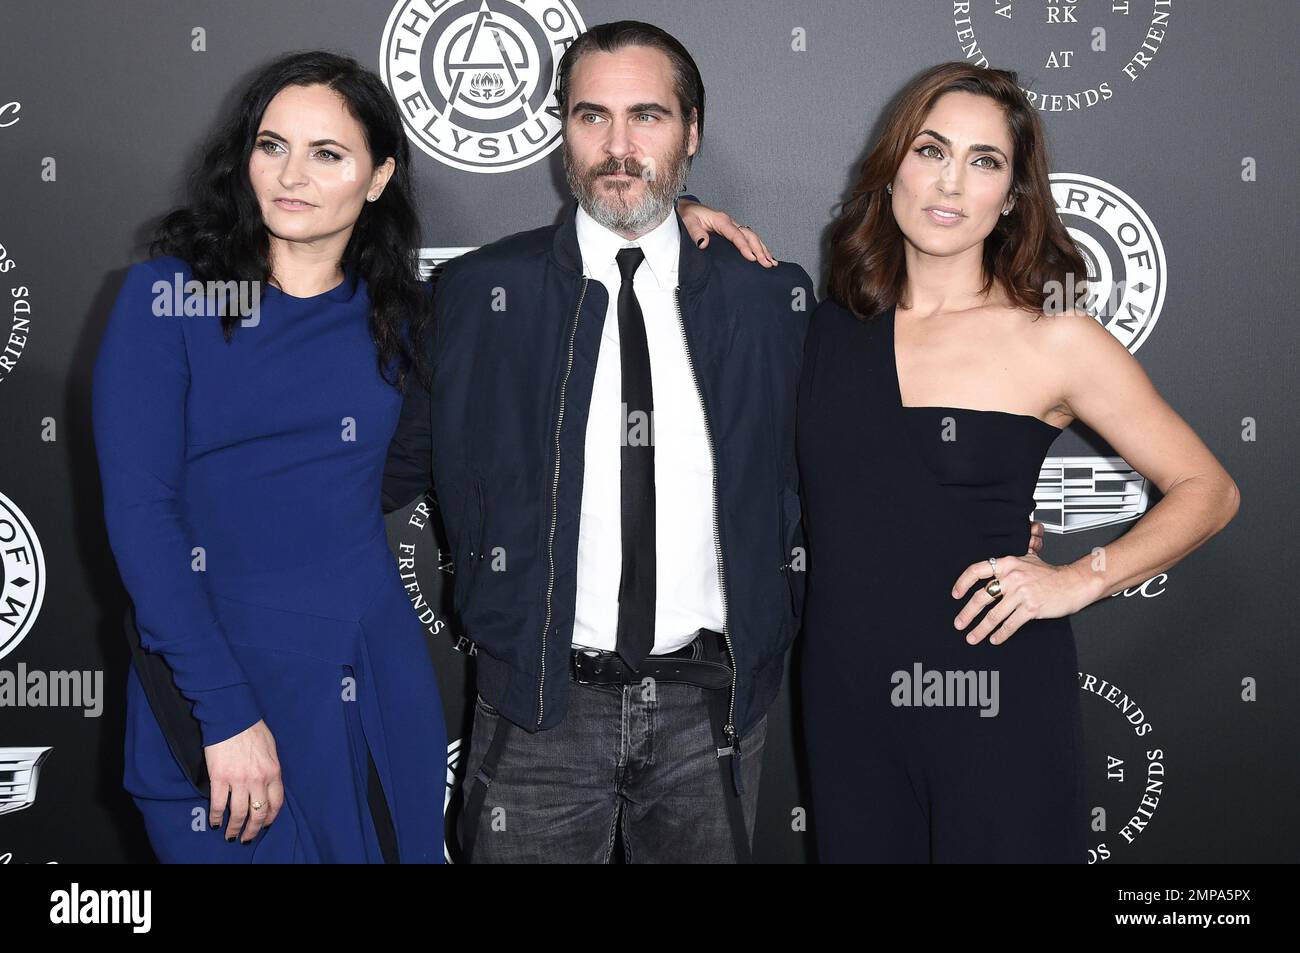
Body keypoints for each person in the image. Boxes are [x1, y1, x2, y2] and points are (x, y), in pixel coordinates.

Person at [382, 21, 814, 863]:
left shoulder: (770, 303)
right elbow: (378, 469)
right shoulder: (475, 295)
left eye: (647, 116)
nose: (618, 146)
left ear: (692, 131)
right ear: (563, 134)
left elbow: (844, 472)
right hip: (537, 707)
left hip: (713, 711)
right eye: (592, 117)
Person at [795, 62, 1240, 862]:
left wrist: (1080, 576)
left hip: (995, 701)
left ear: (1011, 197)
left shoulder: (1053, 338)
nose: (950, 181)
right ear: (891, 166)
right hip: (845, 704)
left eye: (984, 161)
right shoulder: (830, 330)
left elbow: (1208, 488)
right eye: (931, 150)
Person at [93, 51, 449, 862]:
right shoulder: (168, 301)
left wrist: (686, 218)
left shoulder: (406, 318)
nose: (291, 173)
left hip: (369, 674)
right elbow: (143, 517)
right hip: (214, 675)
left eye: (328, 154)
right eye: (271, 144)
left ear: (380, 175)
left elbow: (559, 279)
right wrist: (223, 710)